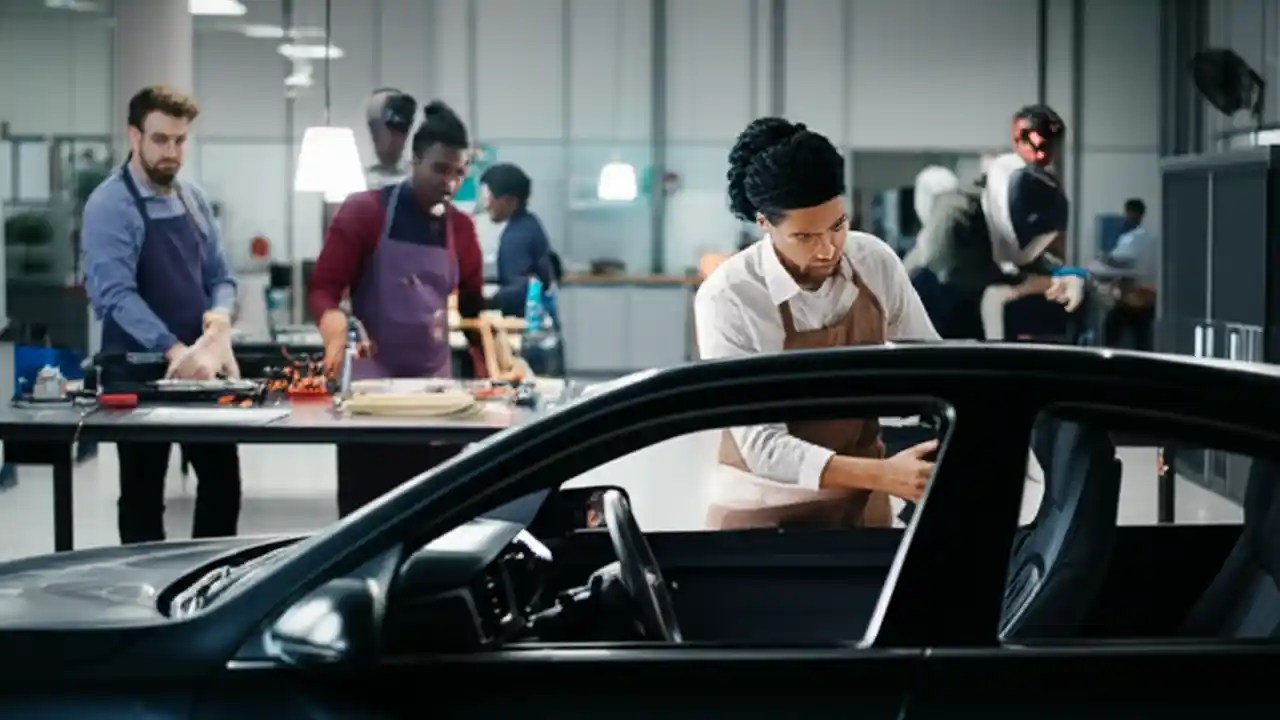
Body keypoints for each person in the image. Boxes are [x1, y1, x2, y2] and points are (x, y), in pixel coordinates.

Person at [694, 117, 942, 531]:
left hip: (865, 504)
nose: (828, 249)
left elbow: (932, 370)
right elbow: (762, 445)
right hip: (765, 513)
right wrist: (885, 475)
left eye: (838, 225)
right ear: (764, 224)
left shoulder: (874, 263)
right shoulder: (730, 296)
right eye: (805, 236)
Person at [309, 99, 486, 517]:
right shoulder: (364, 212)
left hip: (437, 402)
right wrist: (333, 326)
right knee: (363, 522)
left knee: (433, 522)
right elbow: (323, 288)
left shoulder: (461, 229)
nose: (449, 183)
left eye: (459, 173)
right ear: (415, 160)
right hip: (371, 401)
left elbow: (477, 309)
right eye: (440, 169)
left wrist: (496, 365)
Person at [81, 85, 242, 544]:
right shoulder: (110, 206)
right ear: (134, 137)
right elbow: (115, 295)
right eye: (160, 140)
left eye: (179, 140)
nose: (171, 152)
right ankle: (143, 598)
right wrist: (173, 349)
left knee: (222, 484)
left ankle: (212, 588)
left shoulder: (192, 199)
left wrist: (220, 319)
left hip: (201, 372)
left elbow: (222, 275)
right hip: (137, 372)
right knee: (142, 494)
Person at [477, 163, 556, 318]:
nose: (486, 206)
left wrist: (484, 301)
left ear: (510, 201)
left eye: (489, 198)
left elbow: (523, 288)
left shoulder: (517, 236)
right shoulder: (530, 223)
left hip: (528, 326)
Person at [1091, 198, 1156, 350]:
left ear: (1135, 214)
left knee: (1115, 333)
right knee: (1141, 338)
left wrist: (1104, 260)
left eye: (1129, 213)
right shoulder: (1144, 236)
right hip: (1141, 297)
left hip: (1132, 297)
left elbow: (1119, 260)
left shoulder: (1135, 237)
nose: (1127, 217)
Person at [364, 88, 418, 189]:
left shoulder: (417, 179)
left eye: (403, 130)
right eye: (392, 130)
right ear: (374, 131)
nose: (399, 139)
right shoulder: (355, 180)